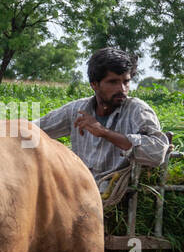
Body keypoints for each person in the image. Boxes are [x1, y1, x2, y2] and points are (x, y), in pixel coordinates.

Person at [33, 47, 169, 207]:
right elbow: (34, 129)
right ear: (94, 85)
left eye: (126, 81)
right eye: (113, 82)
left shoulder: (137, 110)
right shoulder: (76, 110)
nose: (122, 89)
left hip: (114, 199)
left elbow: (158, 152)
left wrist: (104, 132)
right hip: (75, 191)